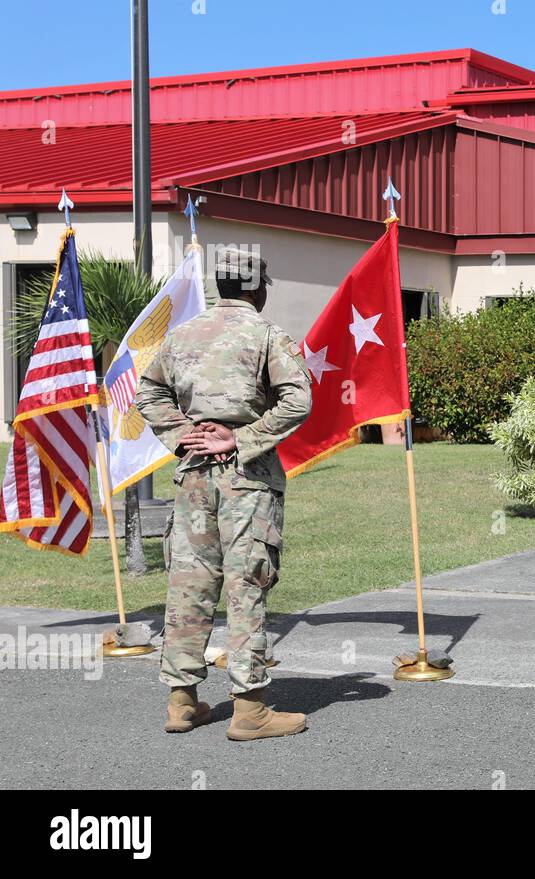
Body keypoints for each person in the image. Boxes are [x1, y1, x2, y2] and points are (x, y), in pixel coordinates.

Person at [135, 247, 313, 739]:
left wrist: (181, 435)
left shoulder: (182, 334)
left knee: (189, 584)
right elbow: (299, 398)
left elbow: (146, 393)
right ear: (257, 289)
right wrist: (243, 438)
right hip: (246, 476)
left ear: (219, 286)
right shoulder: (266, 335)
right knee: (244, 584)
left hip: (193, 475)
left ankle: (182, 702)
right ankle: (251, 709)